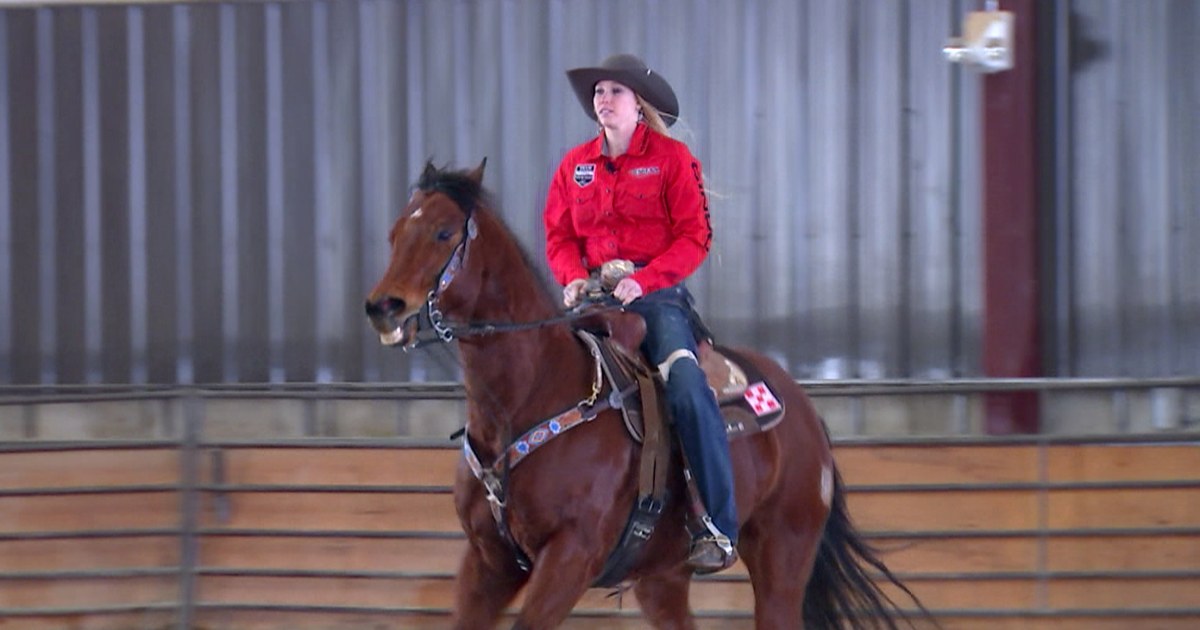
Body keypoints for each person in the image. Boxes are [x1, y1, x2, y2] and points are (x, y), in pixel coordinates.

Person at [542, 53, 737, 573]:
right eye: (599, 92)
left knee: (687, 389)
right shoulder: (573, 166)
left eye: (615, 92)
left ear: (638, 105)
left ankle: (717, 523)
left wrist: (643, 279)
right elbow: (559, 235)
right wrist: (572, 277)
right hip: (591, 301)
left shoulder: (673, 160)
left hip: (655, 299)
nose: (603, 100)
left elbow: (696, 238)